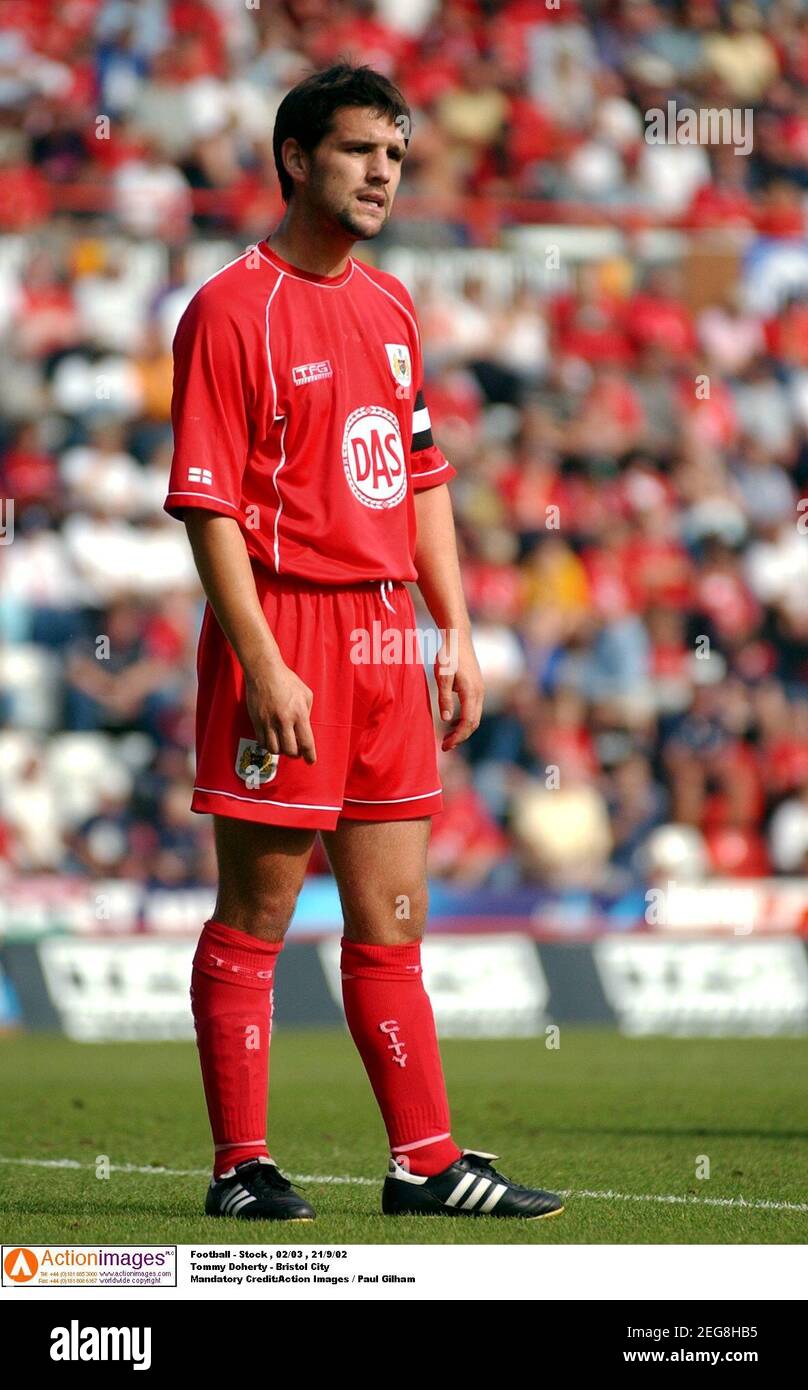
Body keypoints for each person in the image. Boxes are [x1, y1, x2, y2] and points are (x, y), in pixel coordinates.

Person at [164, 63, 564, 1223]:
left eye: (394, 153)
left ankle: (425, 1164)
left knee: (393, 918)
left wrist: (456, 629)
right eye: (358, 151)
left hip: (389, 632)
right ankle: (241, 1164)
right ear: (297, 159)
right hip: (282, 625)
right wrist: (261, 658)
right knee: (261, 911)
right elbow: (209, 506)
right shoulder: (232, 308)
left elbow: (423, 479)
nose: (383, 171)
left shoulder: (391, 309)